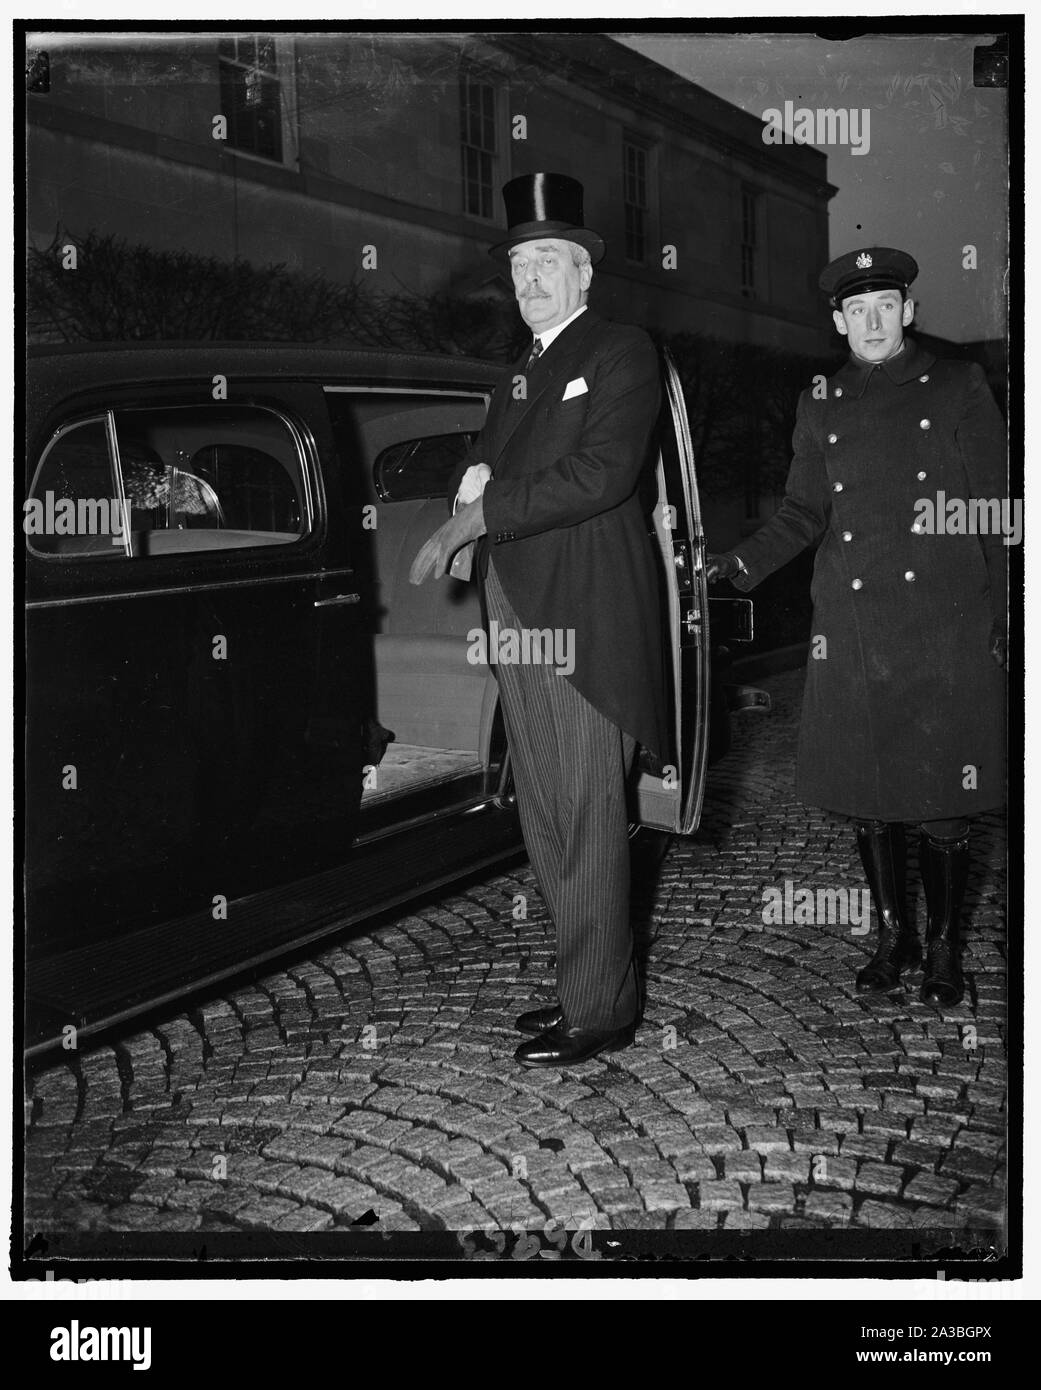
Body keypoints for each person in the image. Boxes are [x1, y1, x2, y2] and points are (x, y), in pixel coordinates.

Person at [410, 172, 667, 1065]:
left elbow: (603, 473)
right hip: (519, 614)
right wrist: (466, 492)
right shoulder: (519, 373)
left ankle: (603, 1008)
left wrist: (479, 512)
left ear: (584, 274)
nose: (530, 279)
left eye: (547, 261)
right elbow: (485, 471)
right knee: (546, 814)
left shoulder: (621, 351)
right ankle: (580, 986)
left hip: (585, 618)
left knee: (589, 809)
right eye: (519, 264)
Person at [707, 247, 1007, 1009]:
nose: (871, 322)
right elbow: (803, 512)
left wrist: (1008, 616)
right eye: (855, 310)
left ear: (906, 311)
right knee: (868, 791)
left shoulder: (957, 384)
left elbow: (998, 507)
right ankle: (890, 936)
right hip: (851, 623)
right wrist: (733, 566)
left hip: (944, 620)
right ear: (838, 321)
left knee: (941, 796)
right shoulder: (821, 400)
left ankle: (941, 948)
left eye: (885, 306)